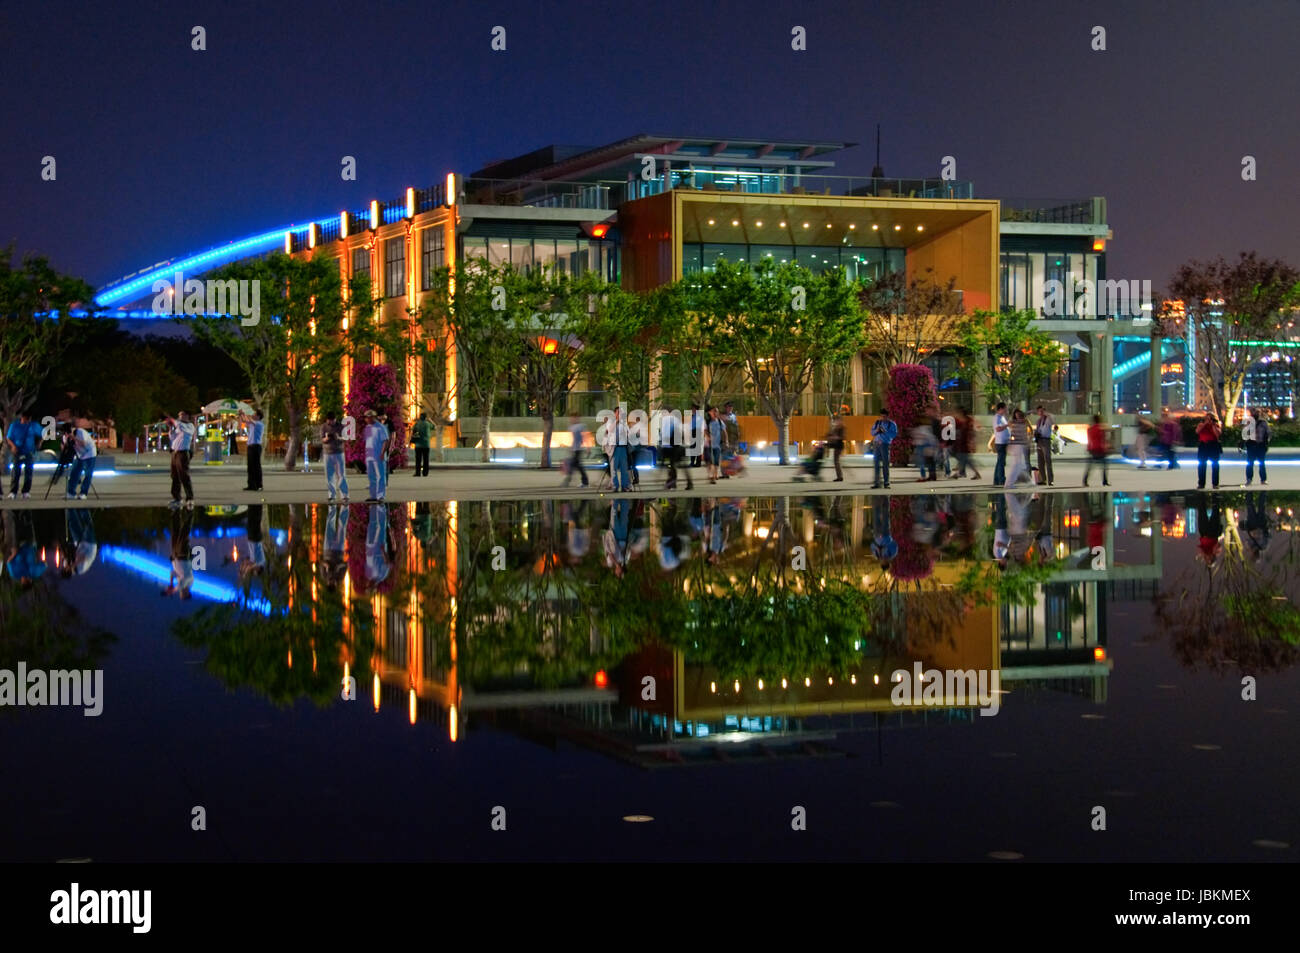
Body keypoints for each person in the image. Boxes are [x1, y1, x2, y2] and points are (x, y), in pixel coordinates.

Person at [5, 410, 40, 500]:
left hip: (29, 452)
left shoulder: (33, 425)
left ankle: (26, 491)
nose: (27, 420)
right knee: (16, 472)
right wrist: (13, 446)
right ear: (22, 417)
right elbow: (9, 438)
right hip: (18, 452)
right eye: (26, 418)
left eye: (29, 419)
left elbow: (43, 433)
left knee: (29, 472)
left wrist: (39, 443)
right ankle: (13, 492)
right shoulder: (15, 425)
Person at [165, 411, 196, 507]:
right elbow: (173, 438)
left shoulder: (190, 426)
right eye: (178, 415)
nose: (180, 417)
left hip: (183, 453)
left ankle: (190, 498)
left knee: (184, 476)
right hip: (175, 452)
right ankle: (176, 498)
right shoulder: (178, 427)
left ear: (187, 416)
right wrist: (171, 428)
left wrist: (173, 421)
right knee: (175, 476)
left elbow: (184, 430)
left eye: (182, 415)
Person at [322, 411, 349, 502]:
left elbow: (345, 438)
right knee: (329, 475)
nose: (331, 422)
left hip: (339, 453)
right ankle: (331, 495)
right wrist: (327, 438)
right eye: (329, 420)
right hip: (327, 454)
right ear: (327, 420)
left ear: (335, 419)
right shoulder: (324, 426)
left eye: (332, 420)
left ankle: (344, 495)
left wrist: (338, 437)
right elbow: (322, 439)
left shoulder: (341, 426)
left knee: (341, 474)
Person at [362, 410, 389, 502]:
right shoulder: (367, 428)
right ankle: (373, 495)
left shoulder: (380, 427)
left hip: (378, 455)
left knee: (380, 475)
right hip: (369, 456)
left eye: (370, 417)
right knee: (371, 476)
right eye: (366, 417)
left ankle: (380, 495)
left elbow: (385, 441)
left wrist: (382, 453)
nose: (368, 419)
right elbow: (367, 442)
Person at [1004, 409, 1035, 487]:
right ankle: (1015, 480)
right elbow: (1008, 428)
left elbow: (1031, 430)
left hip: (1023, 443)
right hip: (1016, 444)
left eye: (1019, 415)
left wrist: (1030, 438)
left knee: (1025, 462)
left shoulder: (1025, 421)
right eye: (1016, 415)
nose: (1017, 416)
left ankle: (1027, 479)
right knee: (1018, 463)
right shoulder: (1013, 422)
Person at [67, 423, 97, 500]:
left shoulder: (80, 432)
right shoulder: (66, 436)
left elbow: (83, 443)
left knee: (88, 474)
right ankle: (71, 492)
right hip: (80, 455)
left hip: (90, 454)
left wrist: (73, 438)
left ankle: (83, 493)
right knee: (75, 472)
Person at [870, 408, 898, 488]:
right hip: (876, 445)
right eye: (882, 416)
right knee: (876, 464)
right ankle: (877, 483)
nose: (883, 418)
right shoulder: (877, 423)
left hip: (885, 445)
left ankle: (886, 482)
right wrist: (877, 430)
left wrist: (885, 431)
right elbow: (872, 432)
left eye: (884, 416)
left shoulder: (892, 424)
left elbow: (894, 435)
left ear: (887, 416)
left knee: (885, 464)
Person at [1081, 414, 1111, 487]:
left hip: (1092, 449)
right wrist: (1107, 448)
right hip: (1100, 449)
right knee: (1104, 466)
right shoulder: (1101, 429)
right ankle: (1105, 481)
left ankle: (1085, 480)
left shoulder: (1090, 429)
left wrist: (1088, 448)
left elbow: (1089, 440)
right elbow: (1103, 440)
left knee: (1090, 467)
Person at [1195, 412, 1222, 490]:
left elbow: (1218, 434)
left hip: (1213, 445)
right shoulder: (1201, 424)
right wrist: (1205, 424)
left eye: (1210, 418)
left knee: (1215, 465)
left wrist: (1213, 425)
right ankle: (1201, 483)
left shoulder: (1216, 425)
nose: (1208, 420)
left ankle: (1215, 483)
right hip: (1203, 445)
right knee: (1202, 465)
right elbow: (1197, 431)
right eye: (1207, 418)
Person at [953, 407, 982, 480]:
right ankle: (960, 472)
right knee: (965, 459)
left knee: (966, 460)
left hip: (965, 444)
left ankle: (960, 473)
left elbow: (970, 433)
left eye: (958, 413)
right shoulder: (963, 421)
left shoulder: (967, 421)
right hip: (962, 443)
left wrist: (971, 443)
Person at [1244, 407, 1270, 486]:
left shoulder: (1263, 423)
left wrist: (1266, 442)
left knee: (1261, 463)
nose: (1257, 414)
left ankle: (1263, 479)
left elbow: (1268, 433)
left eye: (1258, 413)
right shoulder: (1249, 422)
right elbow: (1245, 433)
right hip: (1251, 445)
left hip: (1260, 445)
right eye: (1256, 413)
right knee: (1250, 463)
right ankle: (1249, 479)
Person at [563, 413, 589, 488]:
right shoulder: (571, 427)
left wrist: (588, 447)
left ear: (577, 418)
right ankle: (583, 481)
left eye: (573, 418)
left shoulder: (581, 426)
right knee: (576, 465)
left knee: (576, 465)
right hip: (574, 448)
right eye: (571, 418)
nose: (571, 420)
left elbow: (585, 436)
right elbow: (572, 439)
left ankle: (569, 480)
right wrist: (570, 447)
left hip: (579, 449)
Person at [610, 406, 632, 492]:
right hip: (615, 448)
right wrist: (616, 422)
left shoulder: (624, 424)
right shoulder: (612, 422)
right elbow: (609, 431)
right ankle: (615, 485)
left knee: (624, 468)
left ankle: (624, 486)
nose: (620, 414)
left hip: (623, 447)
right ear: (615, 413)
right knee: (614, 468)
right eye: (618, 412)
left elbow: (628, 434)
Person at [242, 409, 264, 491]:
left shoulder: (259, 424)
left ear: (258, 416)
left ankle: (259, 484)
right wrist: (242, 415)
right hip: (250, 446)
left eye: (255, 414)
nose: (253, 415)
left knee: (256, 466)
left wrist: (245, 414)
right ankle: (251, 484)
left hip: (256, 446)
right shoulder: (252, 424)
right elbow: (245, 421)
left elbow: (250, 420)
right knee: (250, 466)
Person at [1033, 405, 1055, 486]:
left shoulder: (1048, 419)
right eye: (1039, 411)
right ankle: (1042, 479)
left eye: (1042, 411)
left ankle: (1050, 480)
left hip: (1046, 440)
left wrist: (1047, 414)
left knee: (1048, 460)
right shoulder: (1038, 421)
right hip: (1039, 440)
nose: (1041, 413)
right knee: (1040, 461)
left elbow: (1053, 418)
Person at [991, 402, 1011, 486]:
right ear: (1001, 409)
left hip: (1004, 441)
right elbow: (998, 429)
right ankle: (1001, 479)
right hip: (1000, 442)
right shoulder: (997, 418)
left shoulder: (1002, 417)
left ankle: (997, 479)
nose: (1006, 410)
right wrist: (1007, 425)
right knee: (1001, 462)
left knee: (1000, 461)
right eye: (1005, 408)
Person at [720, 402, 740, 479]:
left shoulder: (733, 416)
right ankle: (724, 473)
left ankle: (729, 472)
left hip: (732, 439)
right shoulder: (722, 416)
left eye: (731, 407)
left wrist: (737, 437)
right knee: (724, 457)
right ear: (726, 407)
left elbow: (736, 428)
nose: (730, 408)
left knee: (730, 457)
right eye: (729, 407)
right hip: (725, 439)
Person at [706, 406, 726, 484]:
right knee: (711, 461)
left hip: (717, 445)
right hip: (709, 445)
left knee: (716, 461)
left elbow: (724, 431)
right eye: (713, 411)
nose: (715, 413)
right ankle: (712, 476)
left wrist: (726, 441)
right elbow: (704, 431)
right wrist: (707, 437)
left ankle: (715, 474)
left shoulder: (720, 422)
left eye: (716, 411)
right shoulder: (708, 422)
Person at [411, 412, 433, 477]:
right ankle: (425, 473)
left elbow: (413, 431)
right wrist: (430, 420)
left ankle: (418, 473)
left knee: (418, 460)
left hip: (418, 445)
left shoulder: (417, 424)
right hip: (426, 444)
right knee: (426, 459)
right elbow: (434, 426)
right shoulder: (428, 424)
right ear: (426, 417)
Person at [827, 414, 847, 482]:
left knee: (836, 461)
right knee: (836, 461)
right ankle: (839, 476)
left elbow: (843, 437)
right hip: (836, 445)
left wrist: (835, 437)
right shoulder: (837, 427)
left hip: (839, 445)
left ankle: (840, 477)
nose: (836, 421)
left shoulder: (842, 427)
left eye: (837, 420)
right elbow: (831, 434)